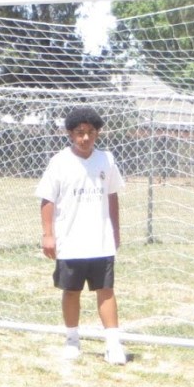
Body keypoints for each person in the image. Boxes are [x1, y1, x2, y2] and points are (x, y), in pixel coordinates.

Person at [38, 105, 128, 365]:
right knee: (71, 290)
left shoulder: (107, 160)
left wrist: (115, 230)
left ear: (97, 133)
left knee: (106, 289)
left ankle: (113, 344)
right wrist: (48, 234)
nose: (85, 138)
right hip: (70, 240)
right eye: (80, 132)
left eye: (90, 132)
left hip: (100, 240)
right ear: (70, 134)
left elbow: (112, 196)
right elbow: (47, 199)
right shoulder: (59, 162)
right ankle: (72, 339)